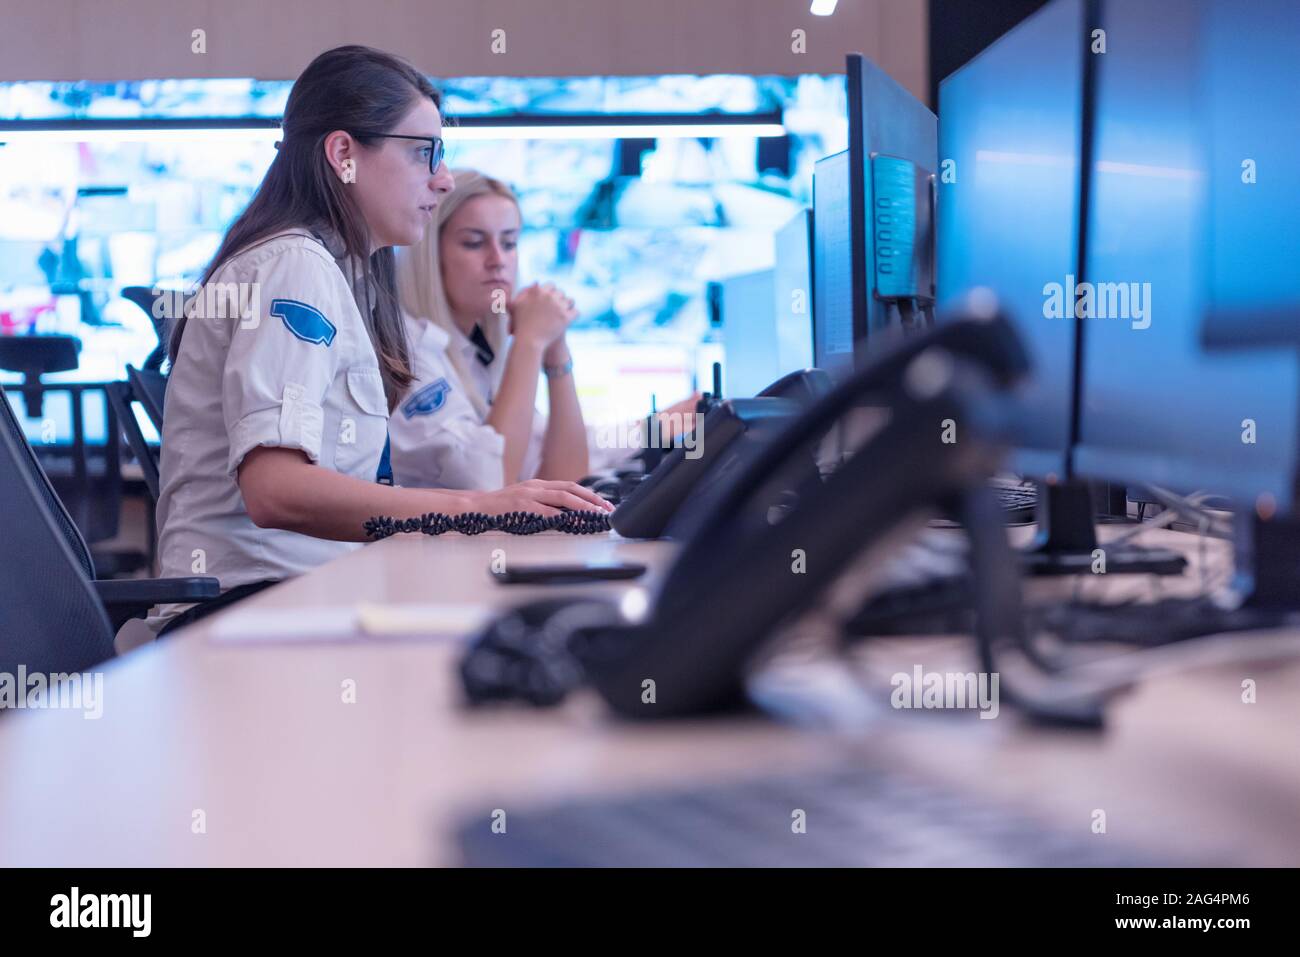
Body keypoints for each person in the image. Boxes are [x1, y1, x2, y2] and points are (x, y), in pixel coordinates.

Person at [143, 47, 609, 640]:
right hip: (247, 610)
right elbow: (275, 489)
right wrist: (474, 512)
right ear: (344, 155)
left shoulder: (339, 275)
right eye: (423, 153)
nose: (441, 179)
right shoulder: (295, 265)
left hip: (292, 599)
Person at [390, 168, 700, 491]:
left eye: (509, 243)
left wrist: (556, 350)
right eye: (474, 243)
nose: (498, 260)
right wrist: (530, 342)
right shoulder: (408, 352)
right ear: (430, 256)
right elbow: (489, 484)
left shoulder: (479, 353)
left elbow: (566, 474)